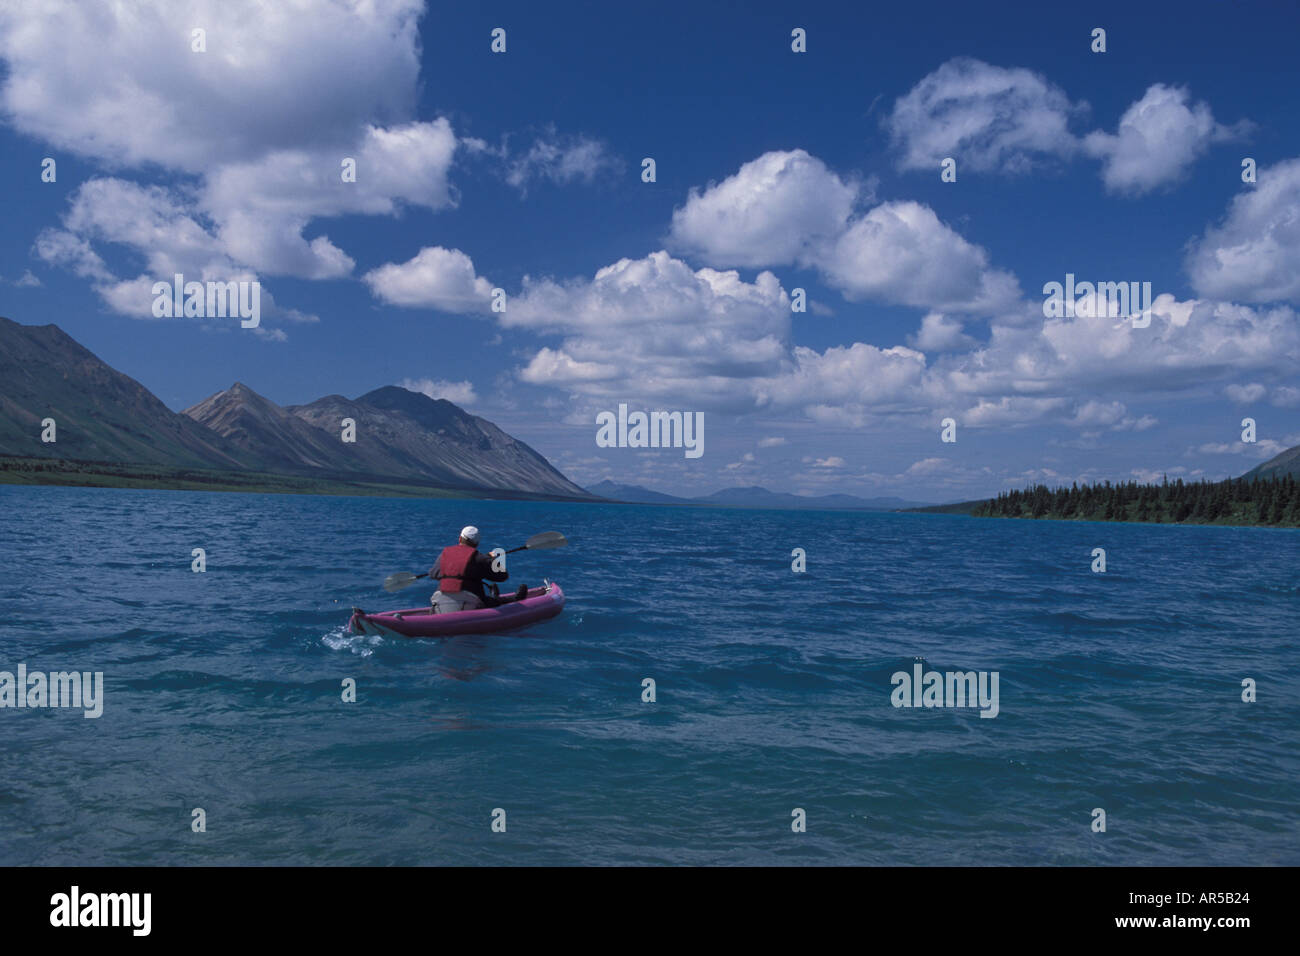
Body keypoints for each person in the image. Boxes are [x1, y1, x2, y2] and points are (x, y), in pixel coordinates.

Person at [429, 526, 529, 613]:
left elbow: (432, 574)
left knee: (488, 599)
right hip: (469, 602)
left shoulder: (444, 554)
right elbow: (503, 576)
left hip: (440, 599)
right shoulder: (480, 558)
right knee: (493, 602)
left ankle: (495, 596)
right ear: (477, 544)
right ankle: (515, 599)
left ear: (460, 539)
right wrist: (493, 559)